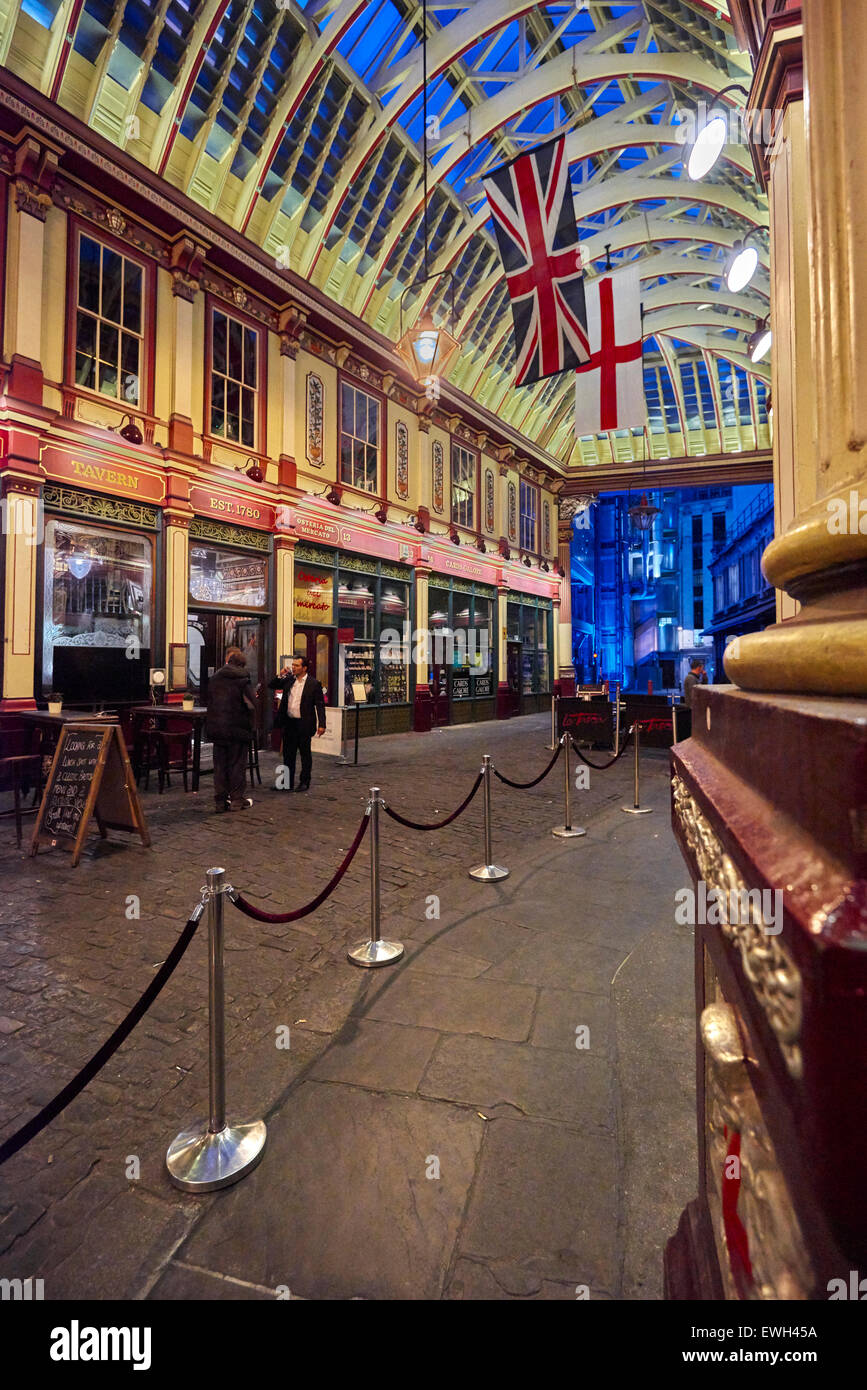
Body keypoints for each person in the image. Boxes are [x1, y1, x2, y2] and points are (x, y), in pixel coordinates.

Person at [205, 646, 255, 813]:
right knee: (236, 765)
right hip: (237, 729)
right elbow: (252, 703)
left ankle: (220, 801)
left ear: (228, 662)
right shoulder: (243, 679)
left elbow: (209, 702)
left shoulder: (214, 679)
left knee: (219, 766)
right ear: (241, 665)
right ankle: (236, 801)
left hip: (217, 728)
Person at [269, 654, 327, 793]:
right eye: (293, 665)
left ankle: (304, 781)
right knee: (288, 754)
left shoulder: (314, 684)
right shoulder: (289, 680)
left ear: (304, 668)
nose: (293, 667)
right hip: (289, 722)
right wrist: (280, 674)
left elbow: (320, 705)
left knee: (305, 754)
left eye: (297, 665)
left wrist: (322, 724)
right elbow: (271, 685)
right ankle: (286, 782)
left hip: (304, 723)